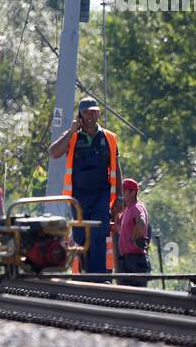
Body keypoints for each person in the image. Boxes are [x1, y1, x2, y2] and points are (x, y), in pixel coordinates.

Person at [49, 97, 122, 279]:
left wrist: (119, 197)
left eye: (94, 111)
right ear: (80, 114)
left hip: (101, 195)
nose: (90, 115)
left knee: (98, 234)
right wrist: (71, 131)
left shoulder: (109, 138)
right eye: (86, 111)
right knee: (81, 236)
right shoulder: (73, 136)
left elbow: (117, 168)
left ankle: (97, 278)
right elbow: (54, 152)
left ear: (99, 113)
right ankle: (83, 274)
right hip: (79, 197)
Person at [115, 178, 152, 286]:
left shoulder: (137, 207)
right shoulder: (128, 210)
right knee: (127, 298)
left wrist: (134, 238)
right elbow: (123, 230)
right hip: (127, 260)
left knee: (138, 298)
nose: (122, 194)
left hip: (136, 260)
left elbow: (141, 223)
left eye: (124, 191)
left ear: (133, 192)